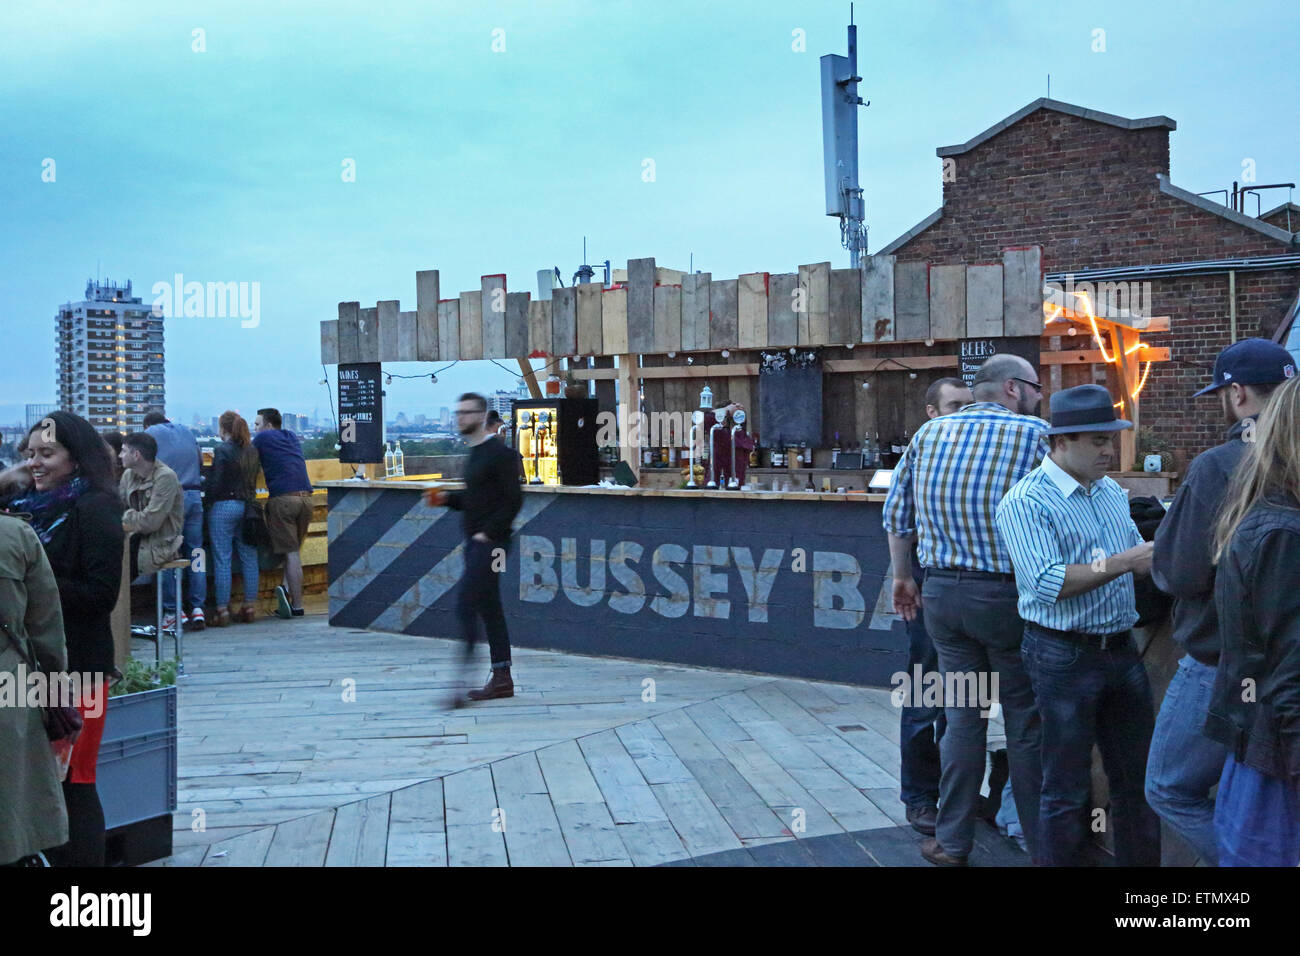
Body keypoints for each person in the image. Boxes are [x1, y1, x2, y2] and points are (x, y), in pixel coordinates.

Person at [883, 353, 1048, 866]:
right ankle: (1040, 842)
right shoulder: (1035, 434)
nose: (1041, 397)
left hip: (944, 598)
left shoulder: (927, 436)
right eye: (1037, 388)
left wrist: (904, 576)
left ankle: (952, 842)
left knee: (962, 718)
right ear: (1015, 389)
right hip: (1008, 598)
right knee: (1024, 719)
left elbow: (897, 514)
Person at [996, 384, 1160, 866]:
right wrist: (1125, 561)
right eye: (1097, 440)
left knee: (1137, 782)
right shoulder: (1026, 501)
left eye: (1111, 438)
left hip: (1119, 649)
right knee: (1065, 788)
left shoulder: (1110, 491)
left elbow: (1140, 560)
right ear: (1060, 442)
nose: (1109, 449)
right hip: (1062, 653)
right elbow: (1046, 583)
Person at [1147, 338, 1295, 866]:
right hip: (1279, 673)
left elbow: (1179, 574)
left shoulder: (1219, 466)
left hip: (1221, 664)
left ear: (1236, 393)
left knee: (1168, 787)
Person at [0, 411, 124, 866]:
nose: (35, 463)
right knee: (39, 783)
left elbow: (100, 595)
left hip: (82, 670)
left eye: (47, 453)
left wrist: (34, 576)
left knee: (75, 783)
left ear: (78, 459)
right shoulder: (27, 510)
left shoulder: (96, 508)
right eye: (29, 454)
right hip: (31, 672)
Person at [1205, 374, 1300, 866]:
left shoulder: (1271, 517)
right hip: (1277, 760)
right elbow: (1290, 668)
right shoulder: (1284, 532)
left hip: (1263, 746)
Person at [897, 377, 972, 836]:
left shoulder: (988, 450)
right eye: (954, 405)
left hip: (975, 588)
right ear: (931, 412)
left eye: (969, 404)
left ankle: (958, 795)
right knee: (928, 689)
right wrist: (903, 574)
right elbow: (897, 516)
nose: (963, 412)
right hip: (931, 581)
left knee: (966, 697)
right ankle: (921, 797)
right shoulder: (922, 452)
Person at [423, 393, 523, 703]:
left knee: (466, 604)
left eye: (467, 413)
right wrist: (447, 499)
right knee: (489, 606)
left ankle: (458, 685)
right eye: (458, 413)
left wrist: (488, 534)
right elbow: (476, 500)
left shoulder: (500, 454)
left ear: (481, 416)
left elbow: (514, 500)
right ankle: (502, 678)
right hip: (476, 542)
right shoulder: (475, 454)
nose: (460, 418)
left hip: (493, 546)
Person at [0, 513, 68, 867]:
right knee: (12, 816)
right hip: (9, 689)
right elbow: (46, 628)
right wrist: (56, 694)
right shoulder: (16, 536)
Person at [143, 411, 206, 630]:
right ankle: (198, 608)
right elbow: (200, 460)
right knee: (196, 551)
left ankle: (172, 611)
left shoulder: (150, 433)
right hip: (194, 496)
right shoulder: (187, 431)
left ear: (147, 425)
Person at [252, 408, 313, 618]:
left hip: (283, 499)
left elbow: (246, 459)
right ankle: (285, 591)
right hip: (306, 498)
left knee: (291, 553)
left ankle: (297, 606)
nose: (255, 429)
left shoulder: (263, 438)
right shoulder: (291, 436)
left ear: (268, 426)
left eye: (257, 424)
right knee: (293, 550)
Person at [206, 411, 261, 626]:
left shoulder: (222, 450)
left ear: (223, 429)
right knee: (249, 558)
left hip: (224, 507)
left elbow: (216, 483)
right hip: (249, 507)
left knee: (222, 559)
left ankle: (222, 610)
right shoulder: (252, 449)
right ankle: (249, 607)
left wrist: (208, 500)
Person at [120, 432, 185, 583]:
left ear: (136, 455)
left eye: (123, 451)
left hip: (158, 543)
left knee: (115, 571)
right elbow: (115, 508)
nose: (119, 455)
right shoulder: (128, 475)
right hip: (134, 538)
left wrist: (127, 515)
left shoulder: (165, 477)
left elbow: (151, 523)